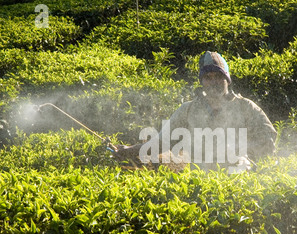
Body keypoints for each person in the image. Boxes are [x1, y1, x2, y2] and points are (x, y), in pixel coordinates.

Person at [114, 51, 277, 172]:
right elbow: (161, 142)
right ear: (202, 81)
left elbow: (269, 137)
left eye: (218, 77)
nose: (214, 82)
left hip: (237, 173)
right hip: (196, 176)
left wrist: (242, 151)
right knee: (154, 162)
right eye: (208, 77)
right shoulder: (189, 109)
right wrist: (128, 150)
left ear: (227, 79)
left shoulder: (246, 107)